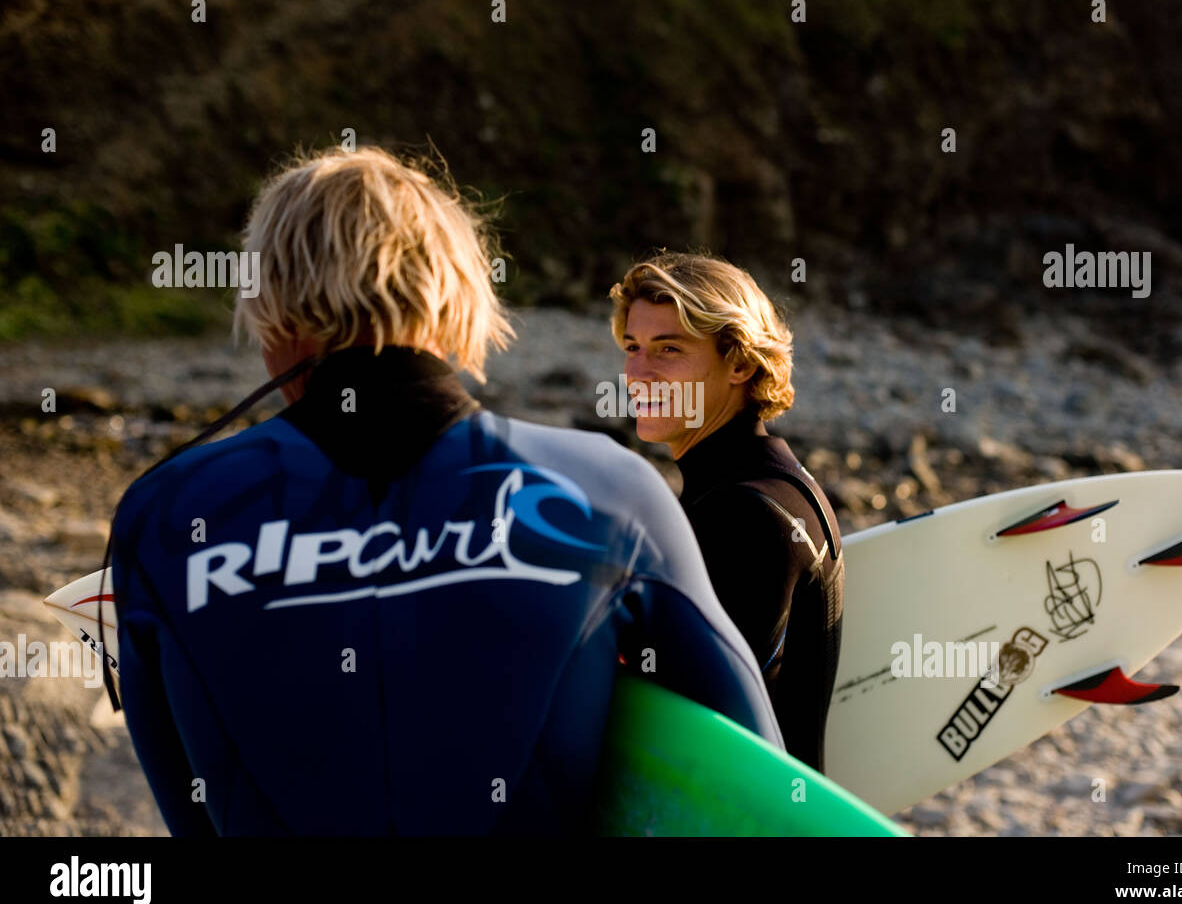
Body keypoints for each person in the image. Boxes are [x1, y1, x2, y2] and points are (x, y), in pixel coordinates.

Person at [110, 148, 781, 835]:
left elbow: (187, 809)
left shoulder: (167, 516)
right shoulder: (606, 492)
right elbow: (762, 795)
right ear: (458, 296)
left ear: (274, 309)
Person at [610, 252, 843, 770]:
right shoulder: (785, 485)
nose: (638, 373)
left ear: (739, 363)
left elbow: (689, 721)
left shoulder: (745, 515)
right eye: (632, 347)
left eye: (668, 349)